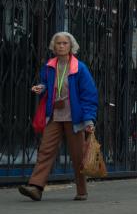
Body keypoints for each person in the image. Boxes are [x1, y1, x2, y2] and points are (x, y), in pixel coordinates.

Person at [19, 32, 99, 202]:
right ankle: (36, 187)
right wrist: (41, 87)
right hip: (55, 116)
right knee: (45, 150)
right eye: (58, 43)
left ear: (71, 47)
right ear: (53, 47)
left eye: (64, 43)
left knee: (78, 155)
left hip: (74, 118)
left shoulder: (80, 68)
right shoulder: (49, 66)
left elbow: (89, 95)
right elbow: (48, 85)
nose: (61, 46)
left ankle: (82, 190)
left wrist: (89, 120)